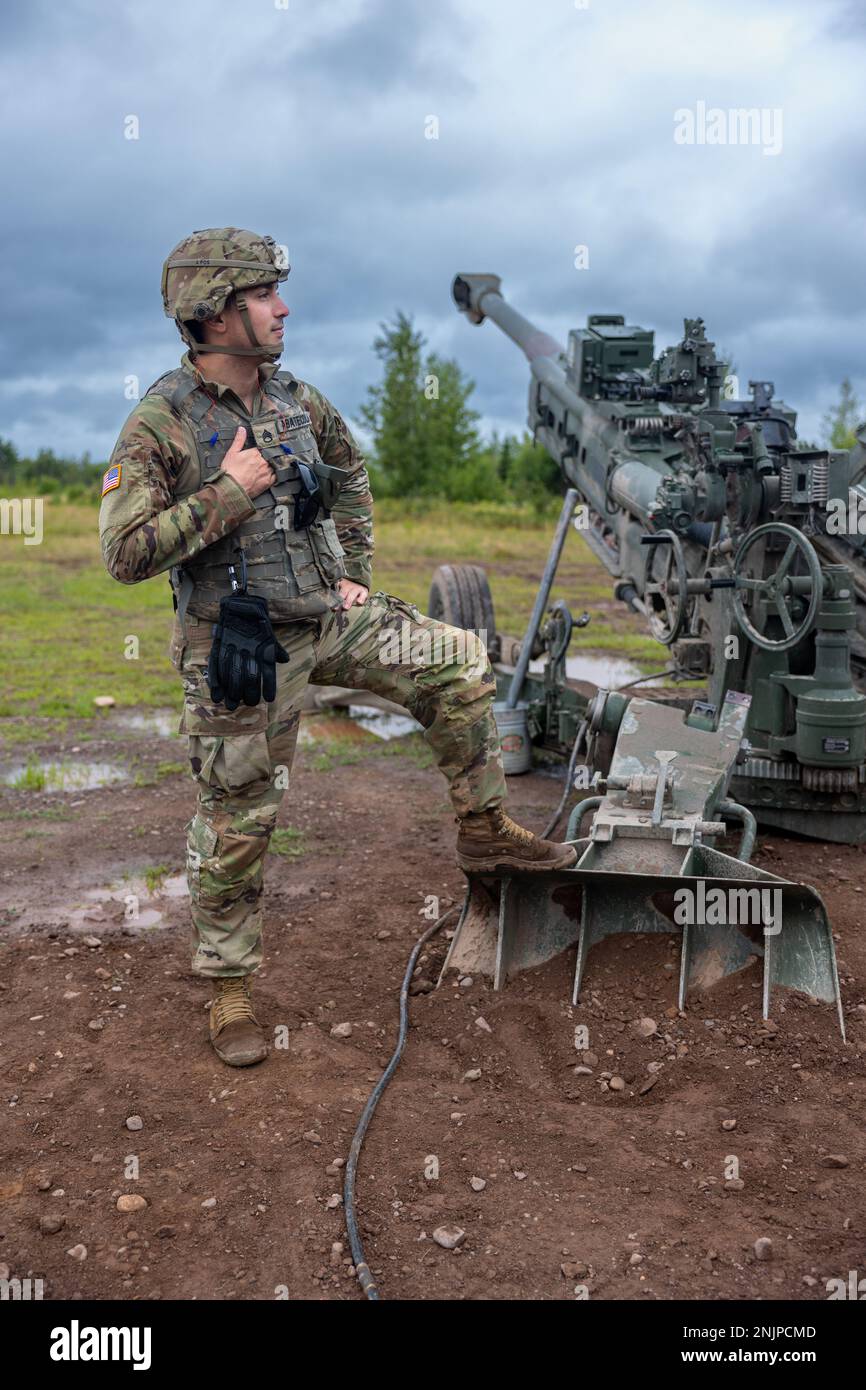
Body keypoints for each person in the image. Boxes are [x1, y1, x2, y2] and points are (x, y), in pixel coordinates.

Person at [99, 227, 577, 1067]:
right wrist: (226, 493)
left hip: (329, 617)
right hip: (241, 649)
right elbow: (125, 552)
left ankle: (487, 831)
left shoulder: (297, 401)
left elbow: (350, 473)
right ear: (213, 312)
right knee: (240, 818)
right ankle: (229, 987)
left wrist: (355, 570)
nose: (283, 308)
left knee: (458, 660)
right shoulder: (161, 422)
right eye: (262, 297)